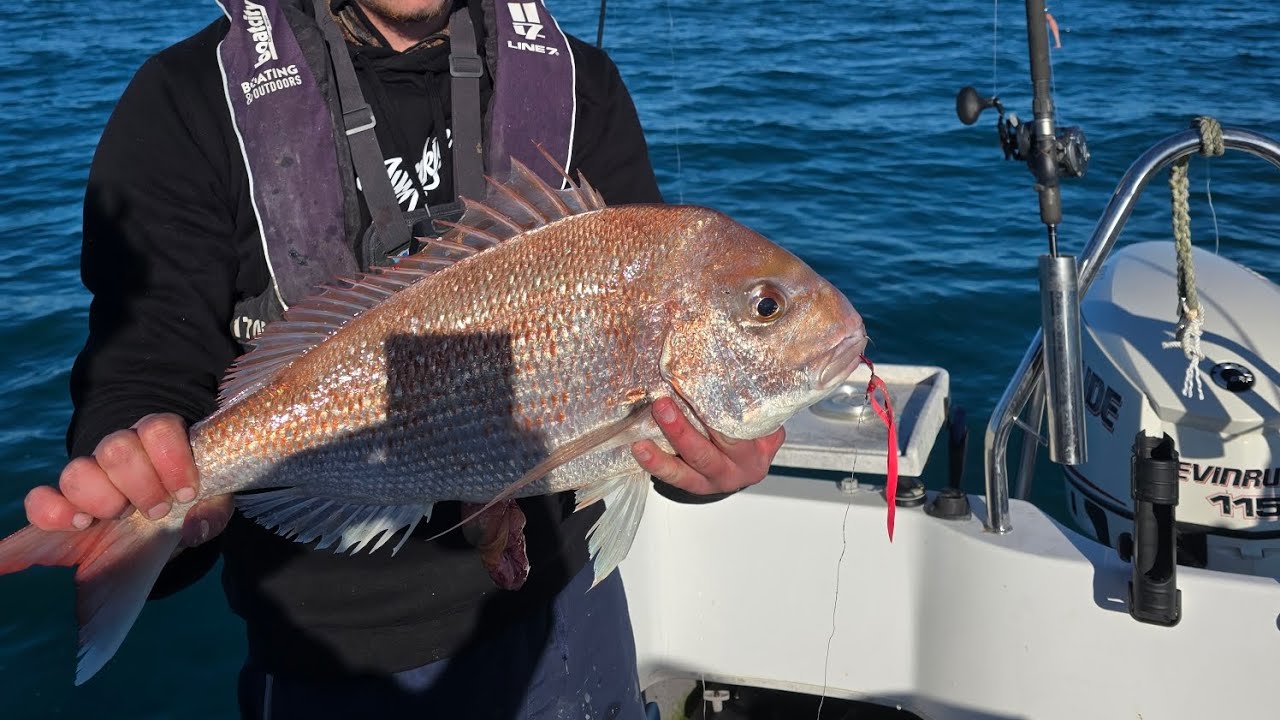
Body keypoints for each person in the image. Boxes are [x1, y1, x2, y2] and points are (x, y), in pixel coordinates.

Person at [22, 0, 785, 717]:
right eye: (766, 307)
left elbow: (645, 429)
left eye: (766, 308)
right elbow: (148, 361)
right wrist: (144, 463)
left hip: (568, 612)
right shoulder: (185, 101)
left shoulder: (584, 86)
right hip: (328, 661)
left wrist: (707, 467)